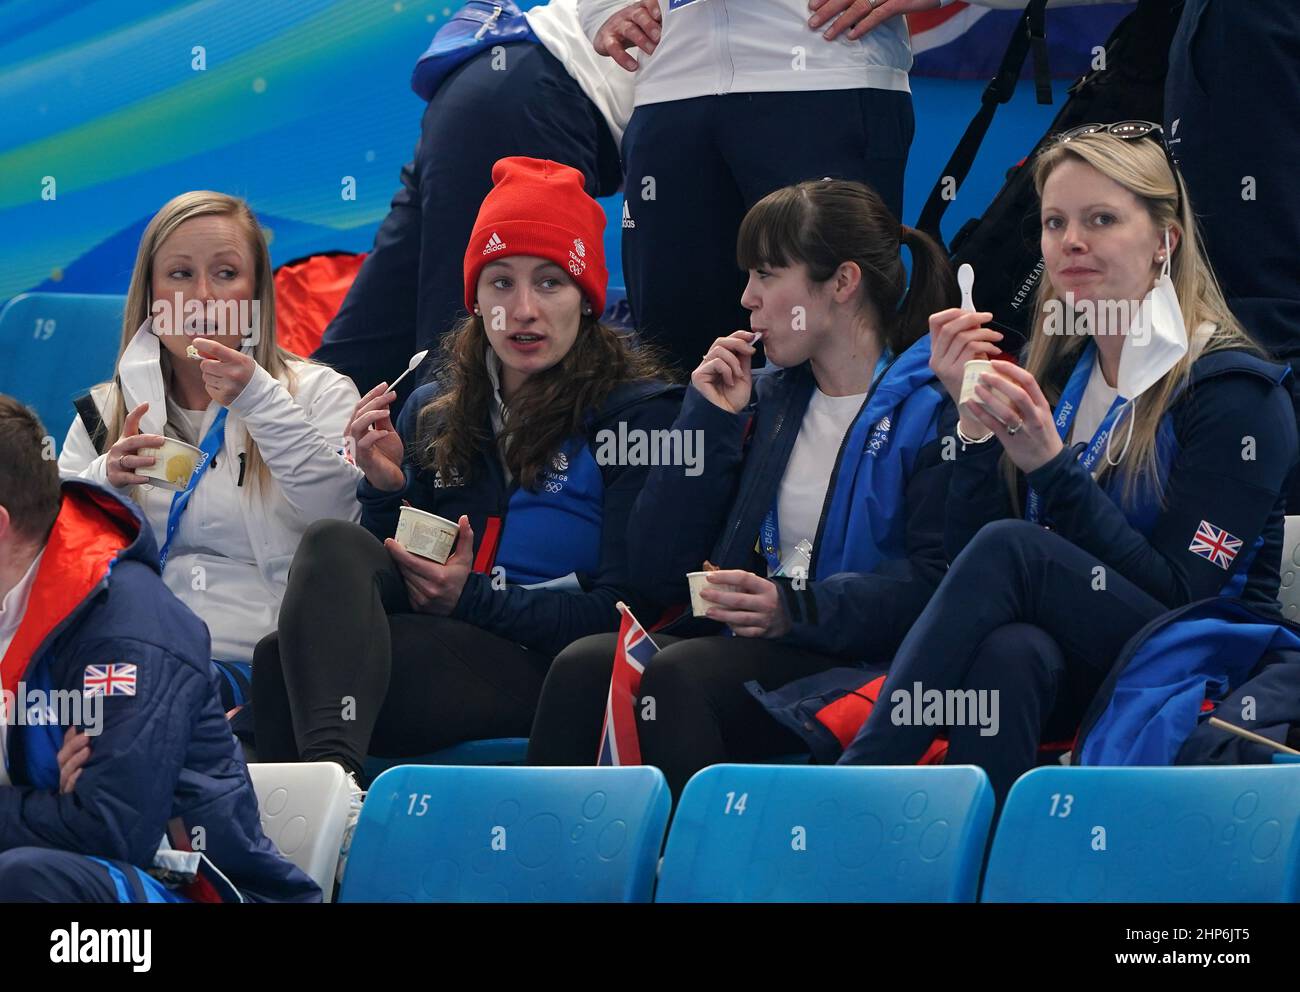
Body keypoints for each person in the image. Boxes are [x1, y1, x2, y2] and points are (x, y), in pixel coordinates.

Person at [837, 125, 1298, 801]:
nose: (1071, 241)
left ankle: (854, 789)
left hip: (1201, 654)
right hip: (1086, 650)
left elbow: (1182, 600)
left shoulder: (1235, 395)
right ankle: (987, 867)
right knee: (1010, 652)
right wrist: (971, 430)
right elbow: (971, 578)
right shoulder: (1054, 373)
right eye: (1056, 223)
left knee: (1017, 550)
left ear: (1164, 241)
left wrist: (1052, 467)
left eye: (1101, 220)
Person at [252, 157, 682, 790]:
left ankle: (325, 800)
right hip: (449, 641)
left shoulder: (637, 416)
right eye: (501, 283)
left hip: (554, 666)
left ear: (588, 300)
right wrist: (385, 489)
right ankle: (326, 817)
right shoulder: (435, 409)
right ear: (475, 299)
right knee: (302, 601)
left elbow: (627, 616)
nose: (523, 310)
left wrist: (472, 598)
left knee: (299, 670)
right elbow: (406, 567)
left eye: (551, 283)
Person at [528, 178, 960, 795]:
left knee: (680, 675)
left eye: (765, 274)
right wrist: (708, 425)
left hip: (871, 667)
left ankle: (705, 878)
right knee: (584, 666)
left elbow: (937, 589)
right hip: (761, 651)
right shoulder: (766, 401)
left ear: (841, 283)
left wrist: (793, 609)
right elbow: (655, 570)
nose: (747, 297)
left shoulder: (937, 408)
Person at [0, 395, 318, 902]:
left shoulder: (126, 630)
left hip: (196, 888)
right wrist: (39, 793)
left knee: (22, 880)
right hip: (107, 870)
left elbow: (107, 828)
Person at [58, 191, 364, 713]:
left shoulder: (321, 395)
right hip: (130, 658)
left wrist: (260, 401)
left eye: (225, 274)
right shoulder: (104, 412)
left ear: (256, 292)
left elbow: (342, 527)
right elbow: (50, 558)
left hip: (268, 668)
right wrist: (104, 482)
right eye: (179, 275)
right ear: (150, 294)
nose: (201, 297)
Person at [314, 0, 635, 405]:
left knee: (366, 355)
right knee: (465, 371)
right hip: (539, 97)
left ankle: (292, 453)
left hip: (490, 87)